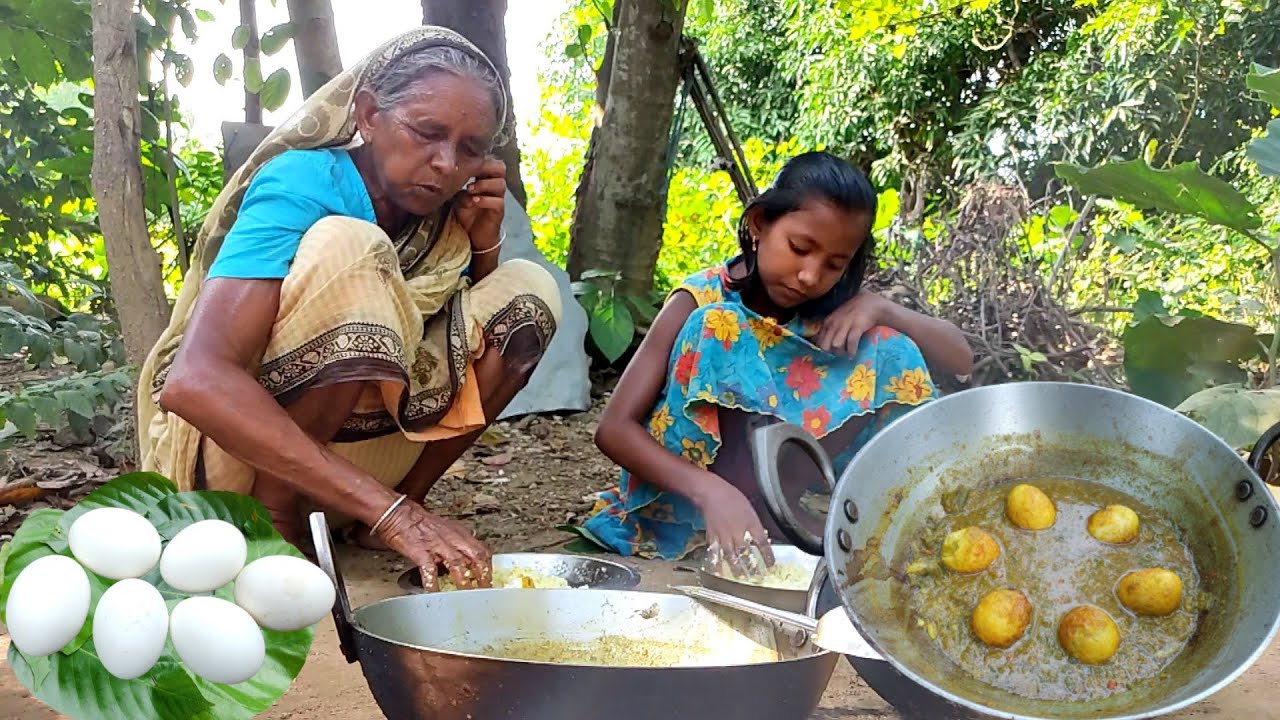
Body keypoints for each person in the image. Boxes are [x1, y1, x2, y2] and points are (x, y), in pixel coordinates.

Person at [136, 27, 561, 591]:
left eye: (470, 149)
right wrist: (391, 512)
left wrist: (483, 245)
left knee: (531, 287)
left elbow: (453, 348)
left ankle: (388, 512)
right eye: (427, 132)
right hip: (238, 468)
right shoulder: (303, 183)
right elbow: (195, 380)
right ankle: (276, 521)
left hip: (352, 477)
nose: (444, 163)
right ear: (366, 114)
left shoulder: (446, 212)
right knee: (353, 247)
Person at [581, 151, 973, 569]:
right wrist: (709, 490)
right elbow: (613, 429)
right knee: (719, 326)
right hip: (686, 500)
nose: (810, 275)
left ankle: (792, 513)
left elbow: (960, 356)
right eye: (799, 248)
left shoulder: (835, 309)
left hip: (781, 490)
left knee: (891, 346)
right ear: (759, 224)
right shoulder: (701, 298)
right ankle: (735, 510)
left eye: (834, 264)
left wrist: (883, 308)